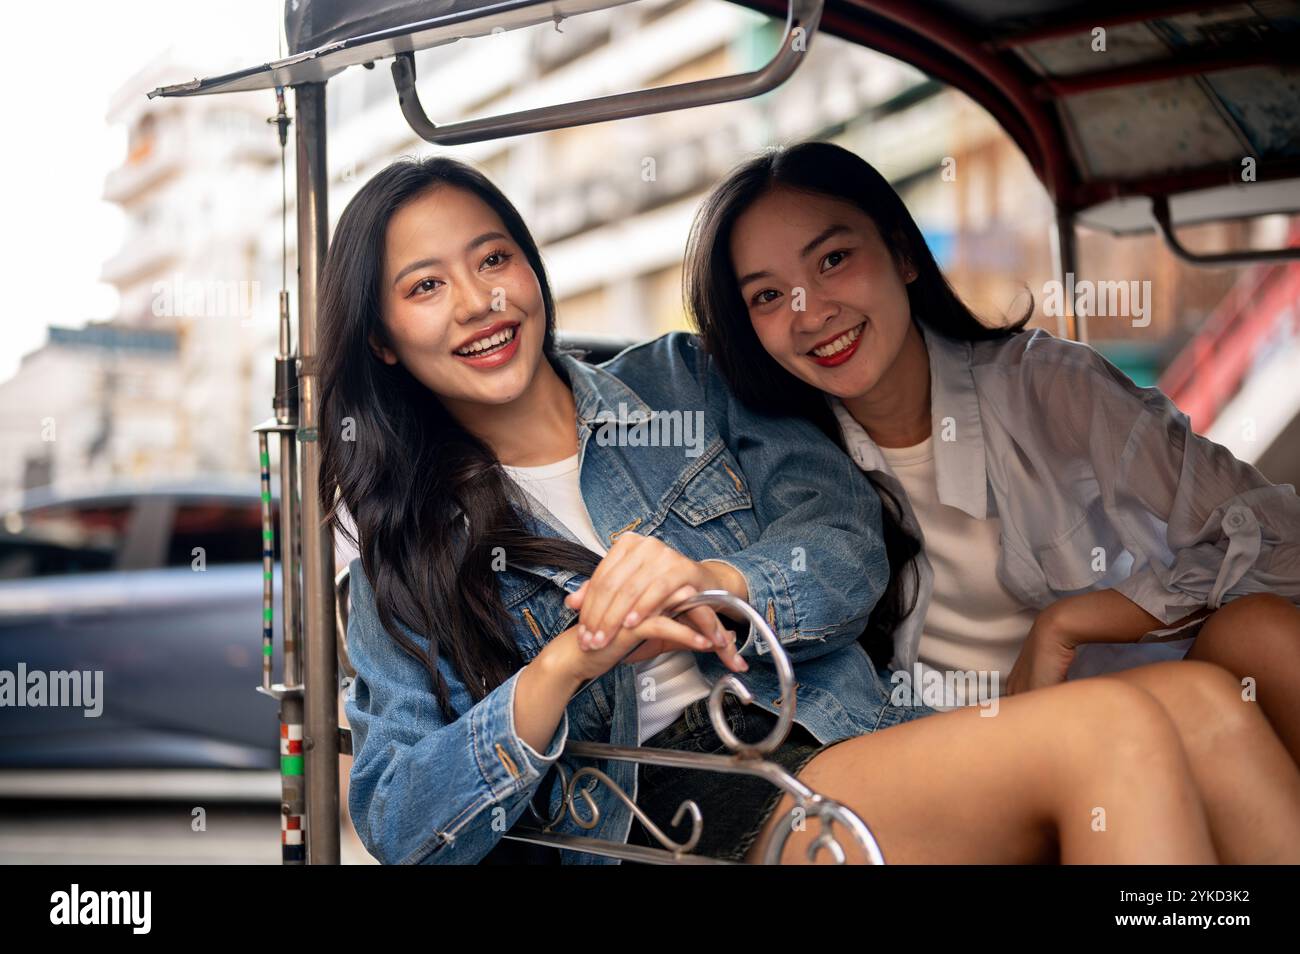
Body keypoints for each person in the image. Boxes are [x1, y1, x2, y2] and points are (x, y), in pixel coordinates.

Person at [318, 154, 1227, 865]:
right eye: (426, 286)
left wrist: (720, 583)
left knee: (1198, 705)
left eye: (493, 258)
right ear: (383, 341)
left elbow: (846, 540)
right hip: (678, 823)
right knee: (1113, 729)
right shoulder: (400, 568)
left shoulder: (685, 379)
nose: (481, 301)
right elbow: (399, 822)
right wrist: (562, 667)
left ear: (530, 264)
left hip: (834, 739)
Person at [684, 139, 1300, 861]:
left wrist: (1068, 625)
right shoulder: (771, 467)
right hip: (961, 756)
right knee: (1188, 710)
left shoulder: (1048, 386)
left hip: (1139, 696)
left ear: (903, 255)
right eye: (766, 295)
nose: (810, 310)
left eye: (833, 261)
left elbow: (1271, 532)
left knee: (1261, 631)